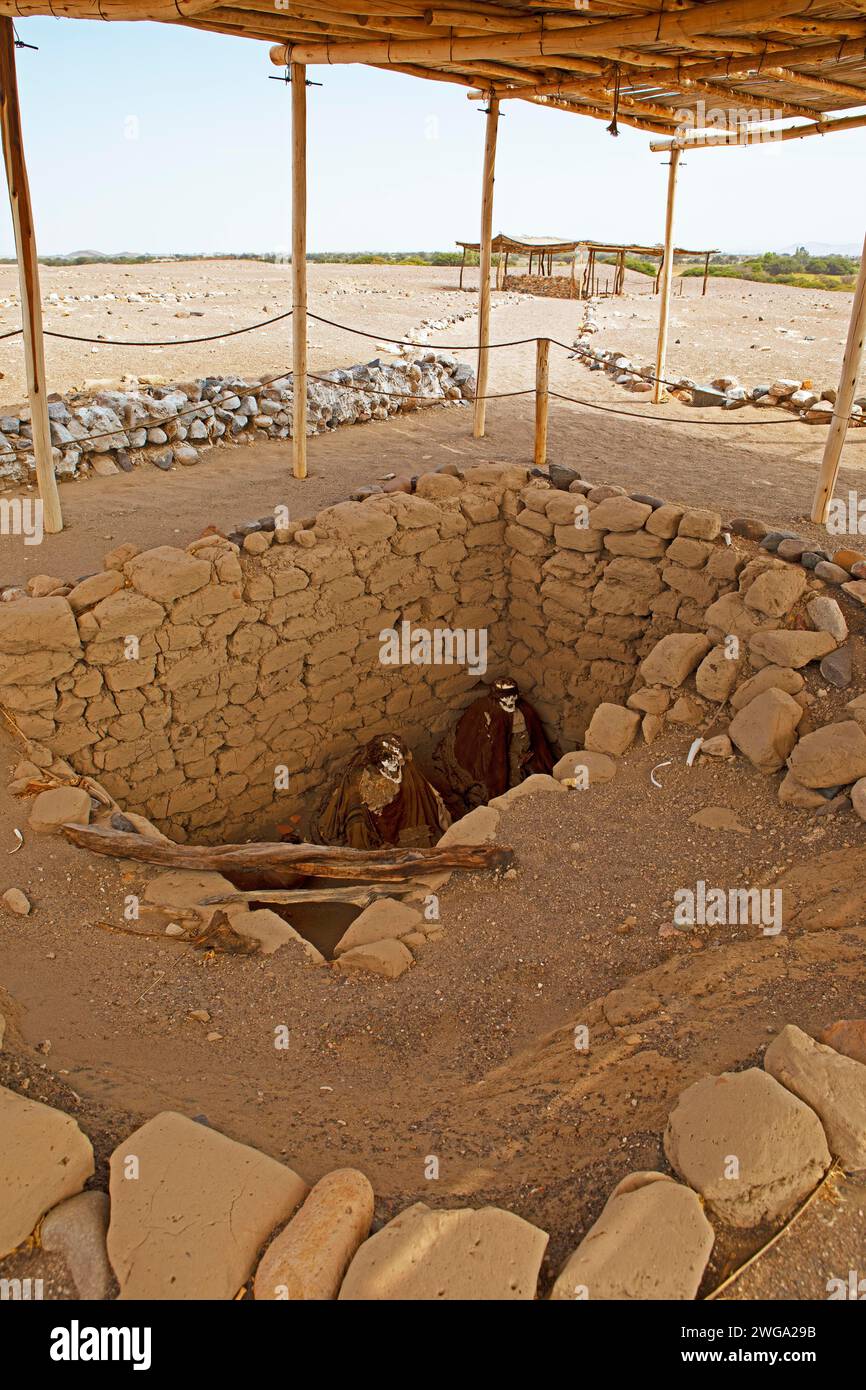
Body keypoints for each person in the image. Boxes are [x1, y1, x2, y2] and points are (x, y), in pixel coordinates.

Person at [433, 677, 558, 811]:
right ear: (497, 697)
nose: (510, 701)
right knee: (507, 782)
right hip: (504, 754)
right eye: (505, 697)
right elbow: (489, 746)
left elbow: (536, 739)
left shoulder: (525, 711)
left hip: (522, 750)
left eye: (513, 696)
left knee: (537, 776)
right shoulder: (488, 712)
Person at [314, 734, 451, 850]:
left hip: (397, 812)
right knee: (358, 823)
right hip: (370, 818)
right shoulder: (358, 781)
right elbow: (357, 809)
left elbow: (419, 794)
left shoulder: (407, 772)